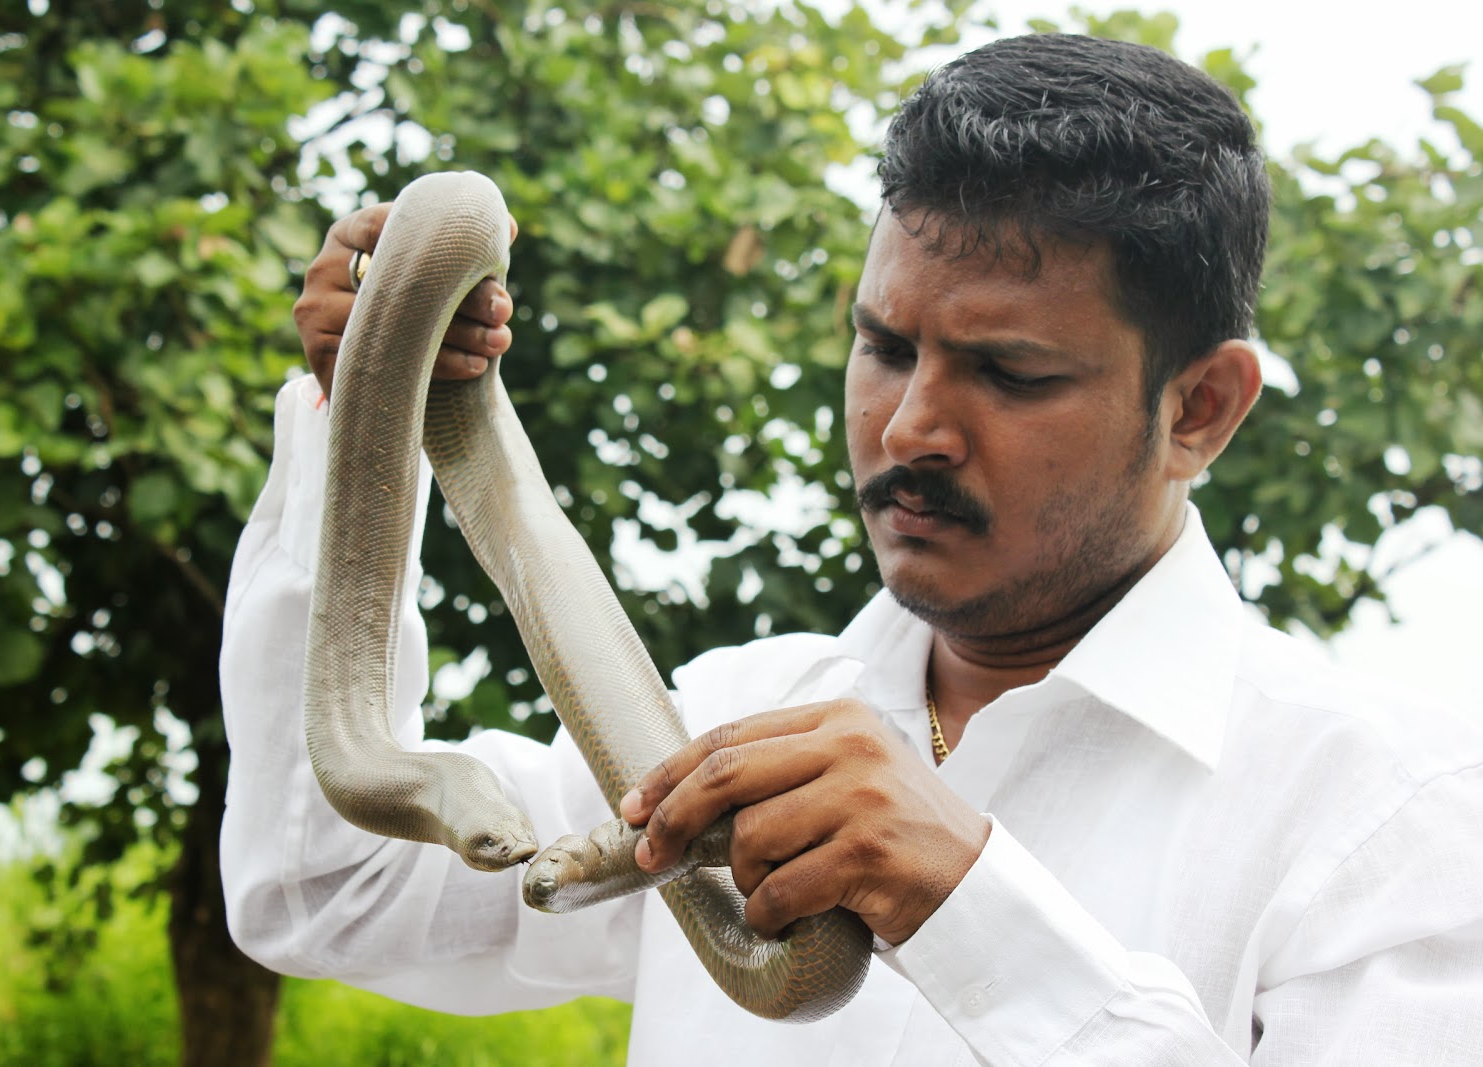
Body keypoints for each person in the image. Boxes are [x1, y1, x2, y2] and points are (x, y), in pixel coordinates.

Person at [219, 33, 1483, 1064]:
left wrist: (969, 904)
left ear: (1199, 407)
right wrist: (369, 400)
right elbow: (322, 886)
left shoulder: (1390, 819)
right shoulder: (720, 720)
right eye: (885, 345)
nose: (913, 425)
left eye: (1007, 371)